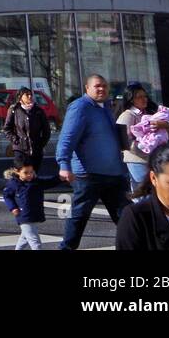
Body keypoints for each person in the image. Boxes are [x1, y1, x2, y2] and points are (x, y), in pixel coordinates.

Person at [56, 73, 131, 250]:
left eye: (104, 86)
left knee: (126, 217)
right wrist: (63, 165)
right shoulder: (80, 107)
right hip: (88, 175)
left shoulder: (105, 108)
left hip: (114, 174)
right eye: (97, 86)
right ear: (87, 88)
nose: (102, 89)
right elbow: (67, 138)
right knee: (79, 218)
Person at [115, 83, 169, 192]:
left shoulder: (153, 113)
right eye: (139, 97)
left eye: (145, 96)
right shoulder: (127, 116)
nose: (144, 99)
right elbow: (123, 141)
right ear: (131, 100)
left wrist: (166, 125)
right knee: (144, 192)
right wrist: (146, 147)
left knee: (158, 191)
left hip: (157, 160)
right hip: (138, 162)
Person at [1, 152, 57, 250]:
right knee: (35, 242)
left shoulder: (36, 182)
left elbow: (49, 183)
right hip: (23, 215)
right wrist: (13, 208)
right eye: (26, 173)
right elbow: (7, 196)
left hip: (34, 213)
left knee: (24, 239)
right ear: (17, 171)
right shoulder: (14, 184)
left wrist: (61, 178)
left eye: (31, 172)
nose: (29, 175)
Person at [2, 86, 51, 167]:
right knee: (22, 173)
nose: (30, 96)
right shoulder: (14, 110)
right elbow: (7, 128)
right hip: (20, 150)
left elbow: (46, 130)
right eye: (27, 95)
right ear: (20, 97)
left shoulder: (38, 111)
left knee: (33, 175)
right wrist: (15, 140)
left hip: (36, 150)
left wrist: (41, 144)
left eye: (31, 94)